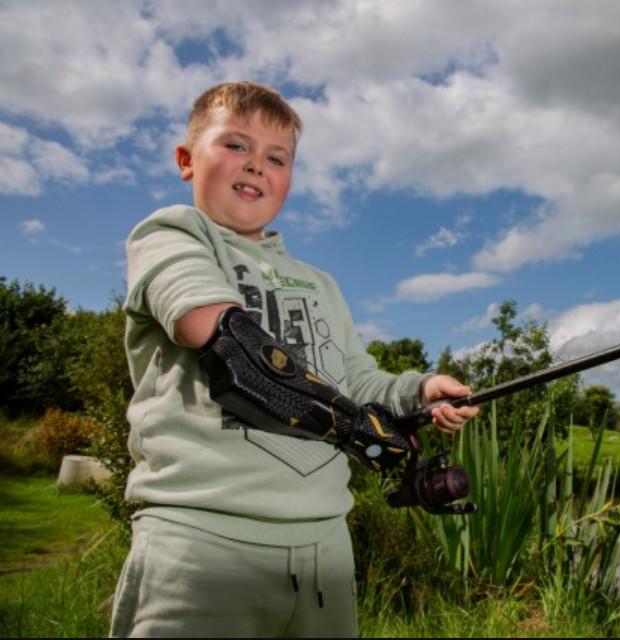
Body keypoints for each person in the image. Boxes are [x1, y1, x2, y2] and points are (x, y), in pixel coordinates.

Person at [109, 81, 478, 638]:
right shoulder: (172, 234)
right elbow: (223, 340)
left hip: (325, 547)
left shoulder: (320, 283)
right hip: (202, 539)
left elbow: (356, 378)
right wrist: (359, 430)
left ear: (290, 178)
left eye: (276, 157)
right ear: (187, 160)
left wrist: (419, 392)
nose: (256, 165)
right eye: (235, 146)